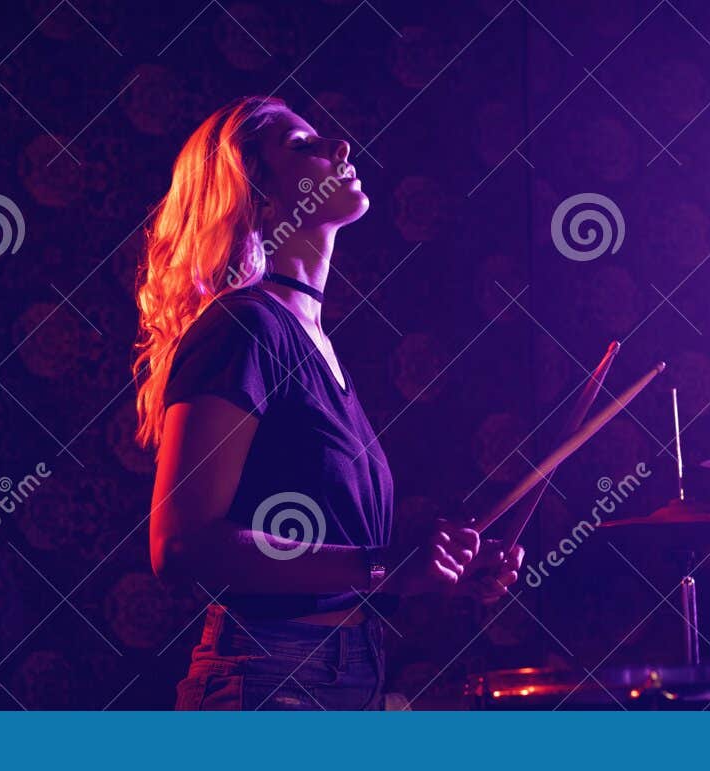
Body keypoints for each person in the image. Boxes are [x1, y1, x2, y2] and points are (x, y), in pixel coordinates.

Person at [133, 96, 525, 710]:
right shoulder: (244, 327)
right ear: (257, 196)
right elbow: (180, 546)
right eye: (301, 146)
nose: (339, 146)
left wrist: (440, 568)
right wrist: (381, 564)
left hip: (349, 675)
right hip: (270, 682)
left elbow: (335, 560)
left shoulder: (315, 342)